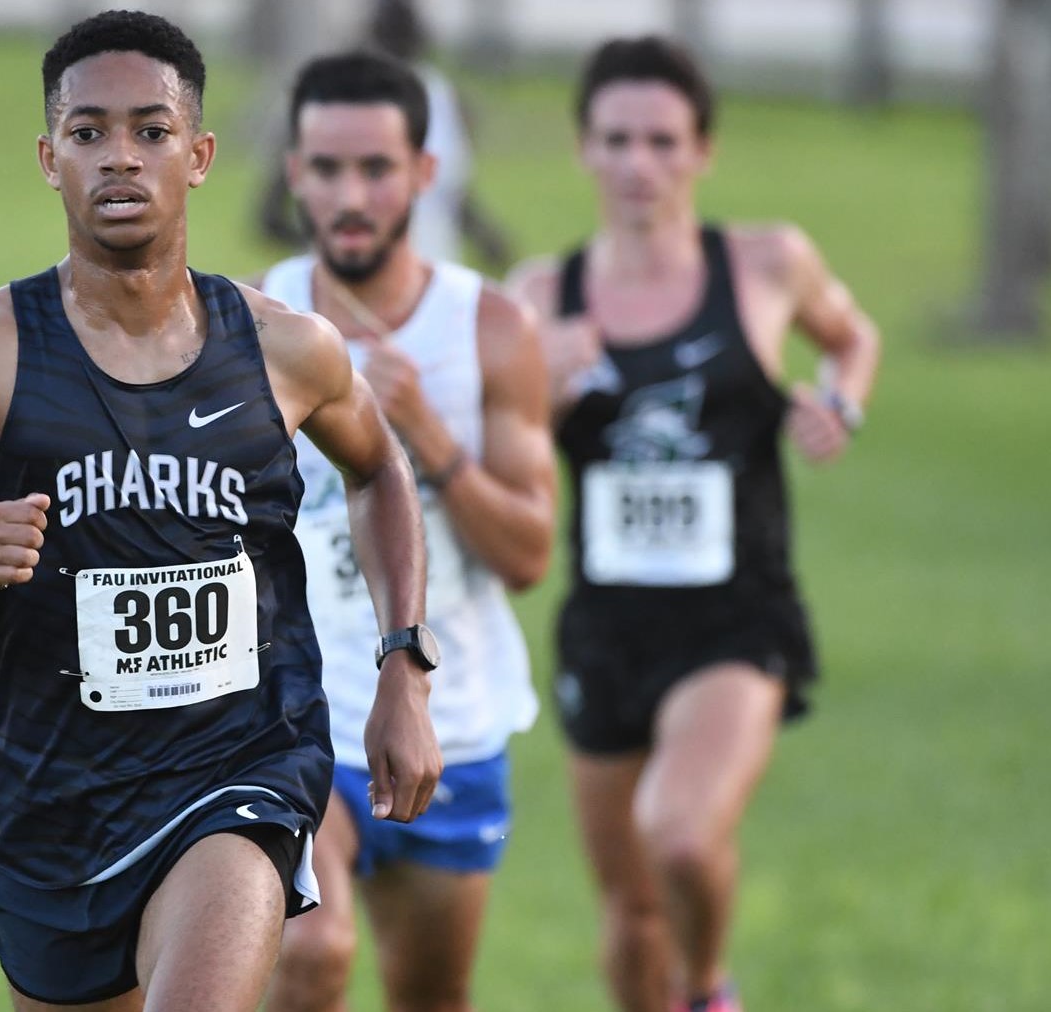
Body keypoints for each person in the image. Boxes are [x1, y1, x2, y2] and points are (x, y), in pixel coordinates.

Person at [0, 12, 443, 1011]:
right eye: (88, 132)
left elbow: (378, 470)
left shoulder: (286, 351)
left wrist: (402, 664)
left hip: (237, 769)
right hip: (52, 805)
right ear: (47, 156)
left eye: (150, 131)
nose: (120, 157)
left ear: (197, 155)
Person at [508, 37, 882, 1012]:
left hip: (735, 621)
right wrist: (538, 394)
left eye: (663, 141)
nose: (640, 164)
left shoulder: (763, 265)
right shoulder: (541, 298)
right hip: (606, 625)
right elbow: (501, 461)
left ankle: (709, 988)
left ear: (702, 151)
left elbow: (850, 337)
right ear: (583, 149)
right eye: (616, 139)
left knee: (676, 830)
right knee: (630, 913)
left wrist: (835, 403)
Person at [250, 51, 554, 1012]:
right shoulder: (252, 321)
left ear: (426, 174)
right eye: (326, 168)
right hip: (294, 714)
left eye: (376, 169)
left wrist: (424, 437)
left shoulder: (490, 330)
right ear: (293, 172)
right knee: (311, 953)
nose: (349, 194)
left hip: (448, 724)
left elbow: (530, 554)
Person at [258, 0, 511, 270]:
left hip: (430, 267)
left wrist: (483, 235)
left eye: (378, 168)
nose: (354, 198)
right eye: (328, 170)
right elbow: (270, 214)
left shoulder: (443, 99)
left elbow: (447, 192)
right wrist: (332, 252)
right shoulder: (323, 106)